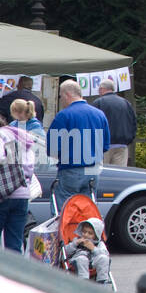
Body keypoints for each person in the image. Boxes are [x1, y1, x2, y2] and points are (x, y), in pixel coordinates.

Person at [46, 80, 111, 210]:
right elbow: (105, 145)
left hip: (71, 168)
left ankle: (67, 231)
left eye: (60, 96)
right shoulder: (99, 114)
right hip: (93, 168)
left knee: (65, 209)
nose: (61, 100)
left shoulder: (63, 116)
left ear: (67, 95)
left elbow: (52, 148)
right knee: (87, 208)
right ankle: (86, 230)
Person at [0, 122, 36, 252]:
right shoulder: (23, 137)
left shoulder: (2, 135)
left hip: (4, 194)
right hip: (22, 194)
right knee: (15, 243)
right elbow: (30, 167)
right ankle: (13, 272)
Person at [92, 80, 136, 168]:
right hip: (122, 145)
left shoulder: (98, 103)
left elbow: (93, 124)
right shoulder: (126, 103)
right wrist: (129, 139)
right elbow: (133, 123)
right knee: (119, 174)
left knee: (103, 174)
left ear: (102, 89)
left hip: (103, 146)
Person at [62, 218, 112, 285]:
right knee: (82, 259)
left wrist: (93, 248)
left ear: (96, 235)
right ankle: (84, 283)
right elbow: (66, 252)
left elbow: (105, 254)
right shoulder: (76, 240)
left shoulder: (99, 243)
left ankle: (102, 282)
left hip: (93, 262)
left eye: (90, 233)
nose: (86, 235)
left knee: (104, 258)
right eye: (84, 232)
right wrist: (75, 244)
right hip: (78, 261)